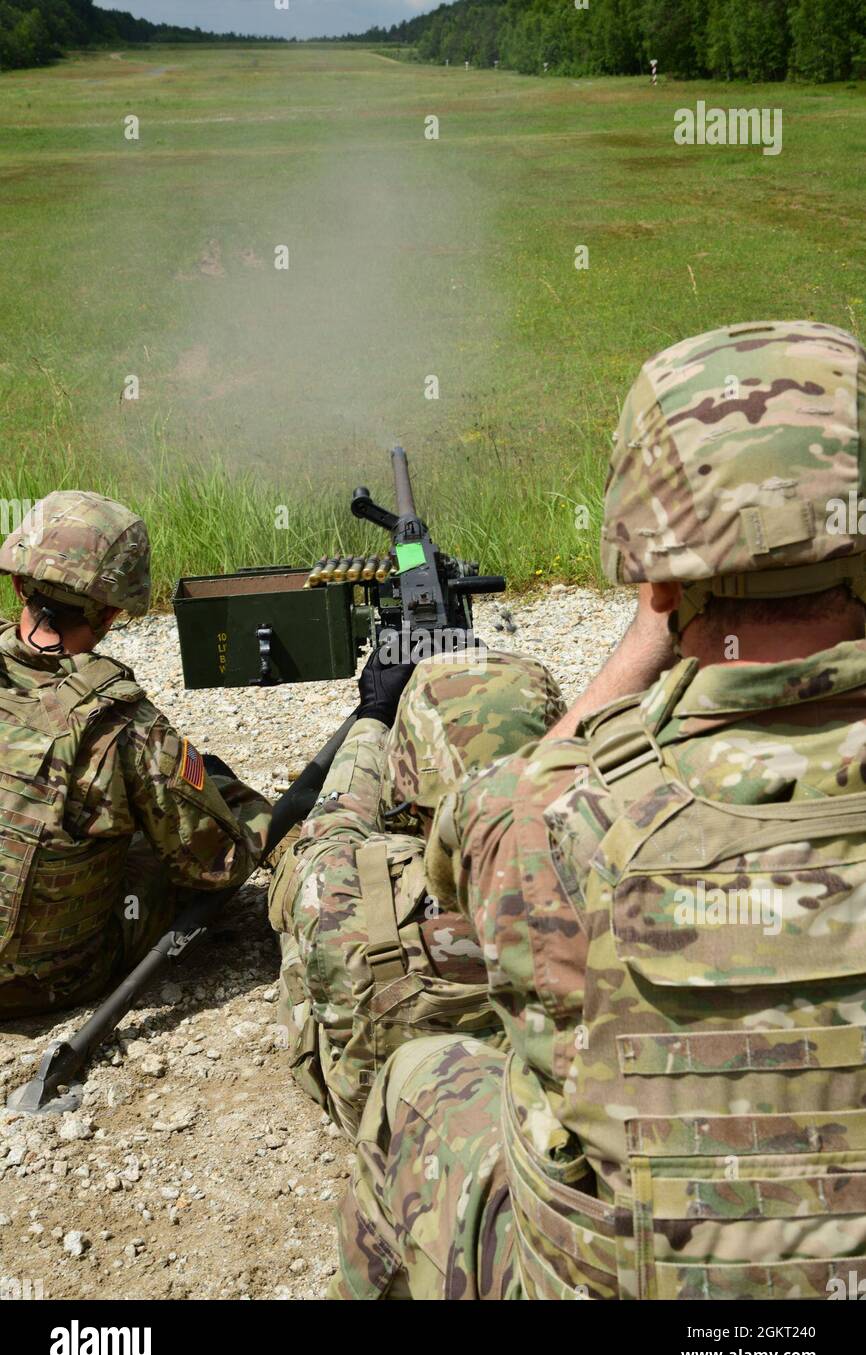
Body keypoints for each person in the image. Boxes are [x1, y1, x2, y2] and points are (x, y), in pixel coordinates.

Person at [331, 319, 866, 1301]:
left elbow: (459, 854)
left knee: (418, 1082)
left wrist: (644, 636)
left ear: (655, 572)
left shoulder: (543, 821)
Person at [268, 645, 566, 1140]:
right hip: (548, 1133)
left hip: (398, 1138)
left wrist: (373, 717)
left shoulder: (340, 884)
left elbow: (335, 822)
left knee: (306, 923)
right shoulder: (621, 879)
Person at [0, 490, 271, 1019]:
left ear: (16, 583)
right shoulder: (120, 720)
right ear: (109, 613)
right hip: (46, 984)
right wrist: (232, 797)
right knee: (159, 850)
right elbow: (215, 867)